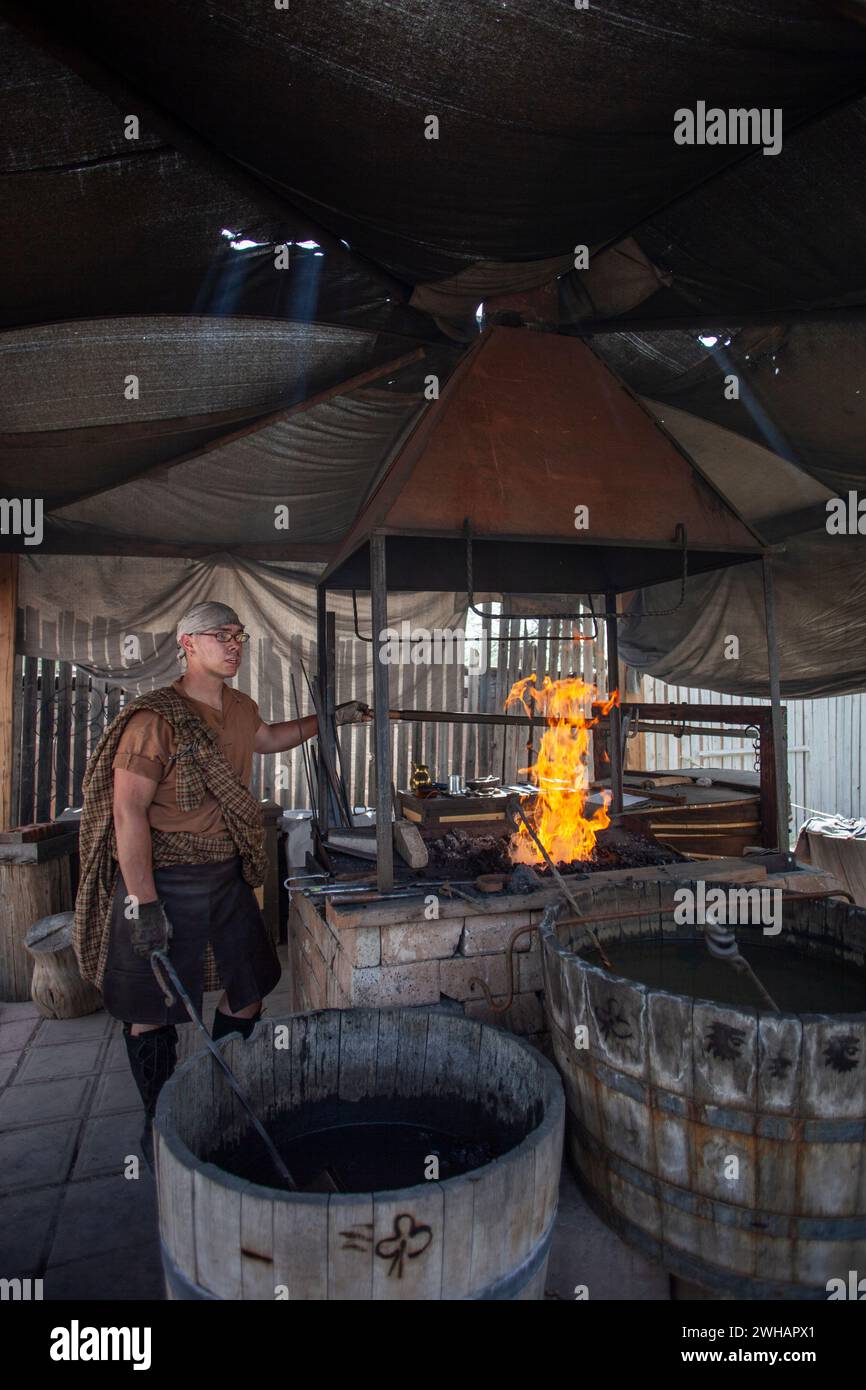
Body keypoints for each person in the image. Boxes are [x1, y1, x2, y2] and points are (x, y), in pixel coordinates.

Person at [73, 600, 370, 1161]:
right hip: (162, 879)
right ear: (187, 644)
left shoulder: (240, 708)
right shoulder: (153, 720)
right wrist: (143, 903)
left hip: (225, 874)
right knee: (150, 1009)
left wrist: (331, 718)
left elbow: (269, 740)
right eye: (220, 635)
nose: (233, 644)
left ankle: (215, 1095)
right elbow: (126, 815)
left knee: (251, 990)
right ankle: (162, 1120)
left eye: (239, 635)